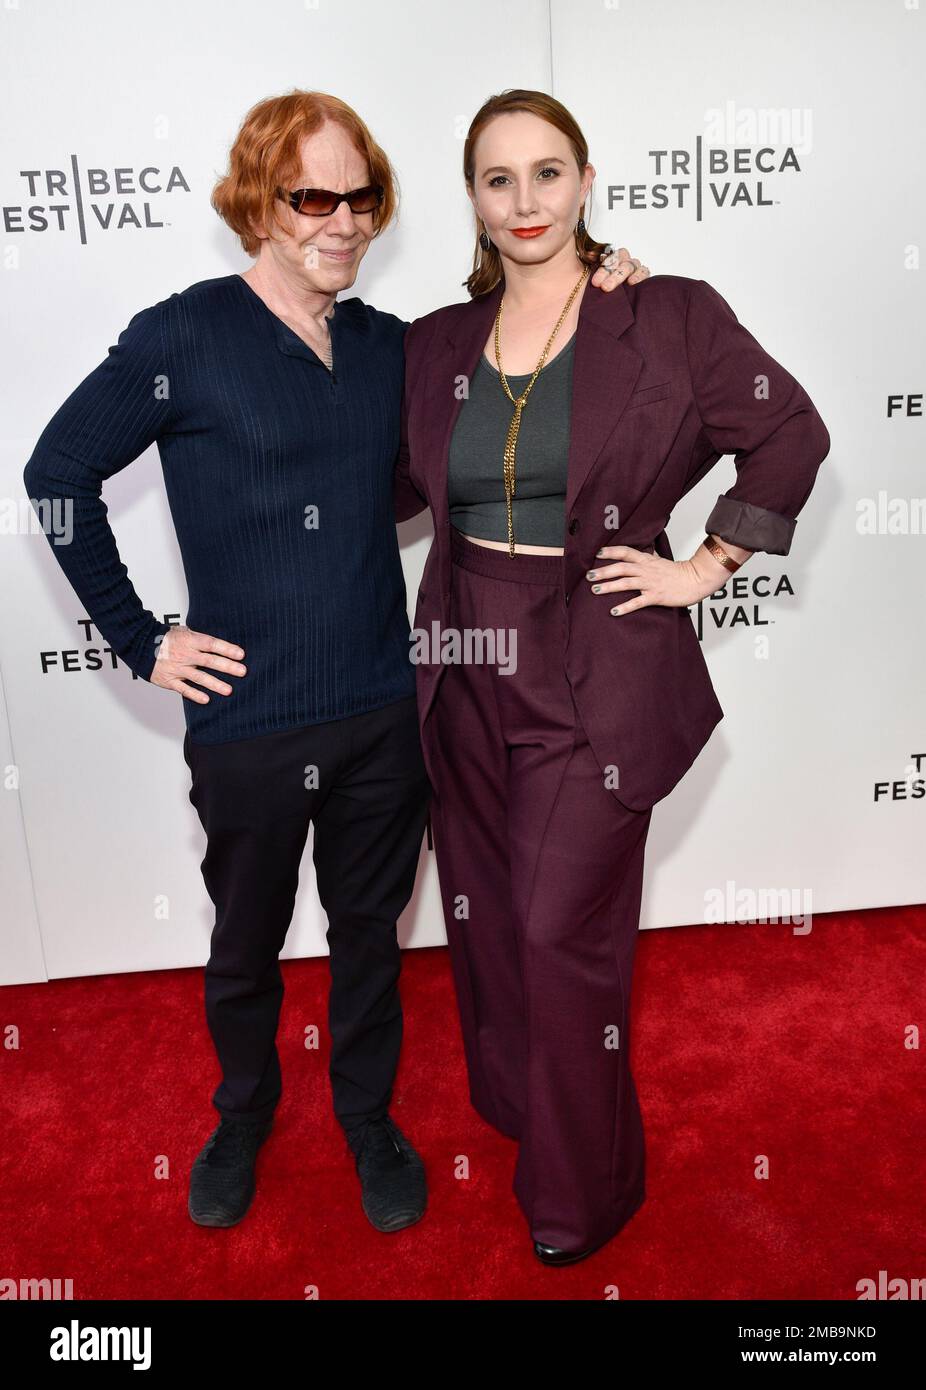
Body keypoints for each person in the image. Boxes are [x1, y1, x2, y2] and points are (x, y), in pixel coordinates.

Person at [22, 89, 647, 1236]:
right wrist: (138, 636)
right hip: (247, 721)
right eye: (315, 196)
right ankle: (241, 1114)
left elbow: (511, 370)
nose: (344, 220)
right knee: (244, 942)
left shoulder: (391, 348)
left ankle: (367, 1117)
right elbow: (55, 476)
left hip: (382, 710)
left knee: (370, 937)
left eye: (363, 197)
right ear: (258, 203)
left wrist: (606, 286)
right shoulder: (182, 336)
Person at [394, 88, 831, 1264]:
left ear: (584, 180)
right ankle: (525, 1112)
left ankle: (584, 1192)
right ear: (472, 199)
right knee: (486, 926)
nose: (524, 201)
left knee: (554, 930)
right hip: (461, 656)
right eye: (498, 179)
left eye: (547, 173)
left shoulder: (666, 313)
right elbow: (386, 482)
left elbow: (787, 428)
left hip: (593, 656)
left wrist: (708, 562)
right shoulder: (436, 340)